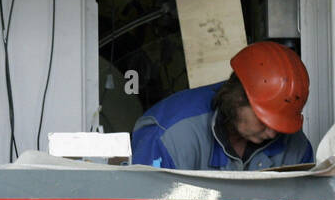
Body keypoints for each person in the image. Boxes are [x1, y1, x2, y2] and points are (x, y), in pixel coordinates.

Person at [131, 42, 313, 171]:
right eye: (264, 120)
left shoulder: (295, 145)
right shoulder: (168, 137)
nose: (273, 133)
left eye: (280, 124)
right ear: (237, 98)